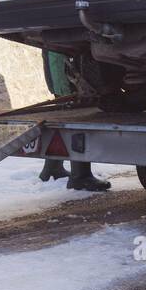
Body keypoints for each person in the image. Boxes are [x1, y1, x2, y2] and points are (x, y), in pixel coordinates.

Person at [38, 50, 111, 192]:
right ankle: (80, 176)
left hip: (58, 68)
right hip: (64, 71)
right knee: (77, 120)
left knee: (63, 120)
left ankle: (52, 168)